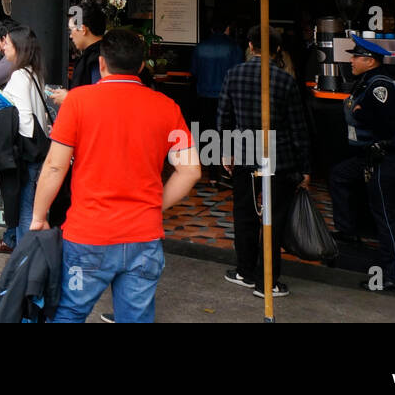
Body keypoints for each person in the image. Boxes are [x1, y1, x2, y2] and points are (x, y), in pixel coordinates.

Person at [30, 29, 201, 323]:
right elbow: (191, 170)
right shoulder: (166, 107)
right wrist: (153, 205)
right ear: (142, 66)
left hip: (88, 236)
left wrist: (38, 216)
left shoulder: (78, 101)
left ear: (101, 64)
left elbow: (55, 167)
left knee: (69, 313)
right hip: (144, 238)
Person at [216, 26, 312, 298]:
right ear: (278, 49)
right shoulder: (285, 80)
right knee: (275, 218)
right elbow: (297, 127)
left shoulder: (233, 75)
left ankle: (245, 271)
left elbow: (223, 117)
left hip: (244, 152)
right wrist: (305, 167)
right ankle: (267, 281)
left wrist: (226, 152)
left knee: (244, 213)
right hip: (278, 157)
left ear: (250, 45)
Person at [328, 35, 395, 292]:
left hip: (383, 158)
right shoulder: (366, 82)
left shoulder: (379, 86)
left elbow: (376, 121)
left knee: (385, 216)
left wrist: (356, 112)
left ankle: (393, 275)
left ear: (369, 60)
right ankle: (347, 229)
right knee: (338, 176)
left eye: (355, 57)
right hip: (366, 156)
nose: (351, 60)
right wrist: (356, 111)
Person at [0, 24, 50, 254]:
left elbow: (24, 120)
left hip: (24, 153)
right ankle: (27, 254)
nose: (3, 47)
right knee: (29, 205)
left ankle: (24, 258)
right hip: (36, 151)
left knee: (24, 208)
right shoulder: (33, 72)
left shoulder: (20, 75)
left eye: (7, 44)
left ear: (19, 48)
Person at [192, 18, 243, 180]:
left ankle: (212, 172)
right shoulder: (234, 47)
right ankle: (225, 169)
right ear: (227, 28)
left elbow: (194, 71)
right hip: (227, 96)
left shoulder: (200, 47)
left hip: (205, 95)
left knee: (208, 132)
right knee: (226, 132)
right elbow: (238, 73)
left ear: (211, 30)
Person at [68, 4, 107, 88]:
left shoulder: (96, 58)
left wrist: (68, 97)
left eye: (71, 30)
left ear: (83, 29)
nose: (70, 36)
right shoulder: (110, 51)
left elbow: (96, 94)